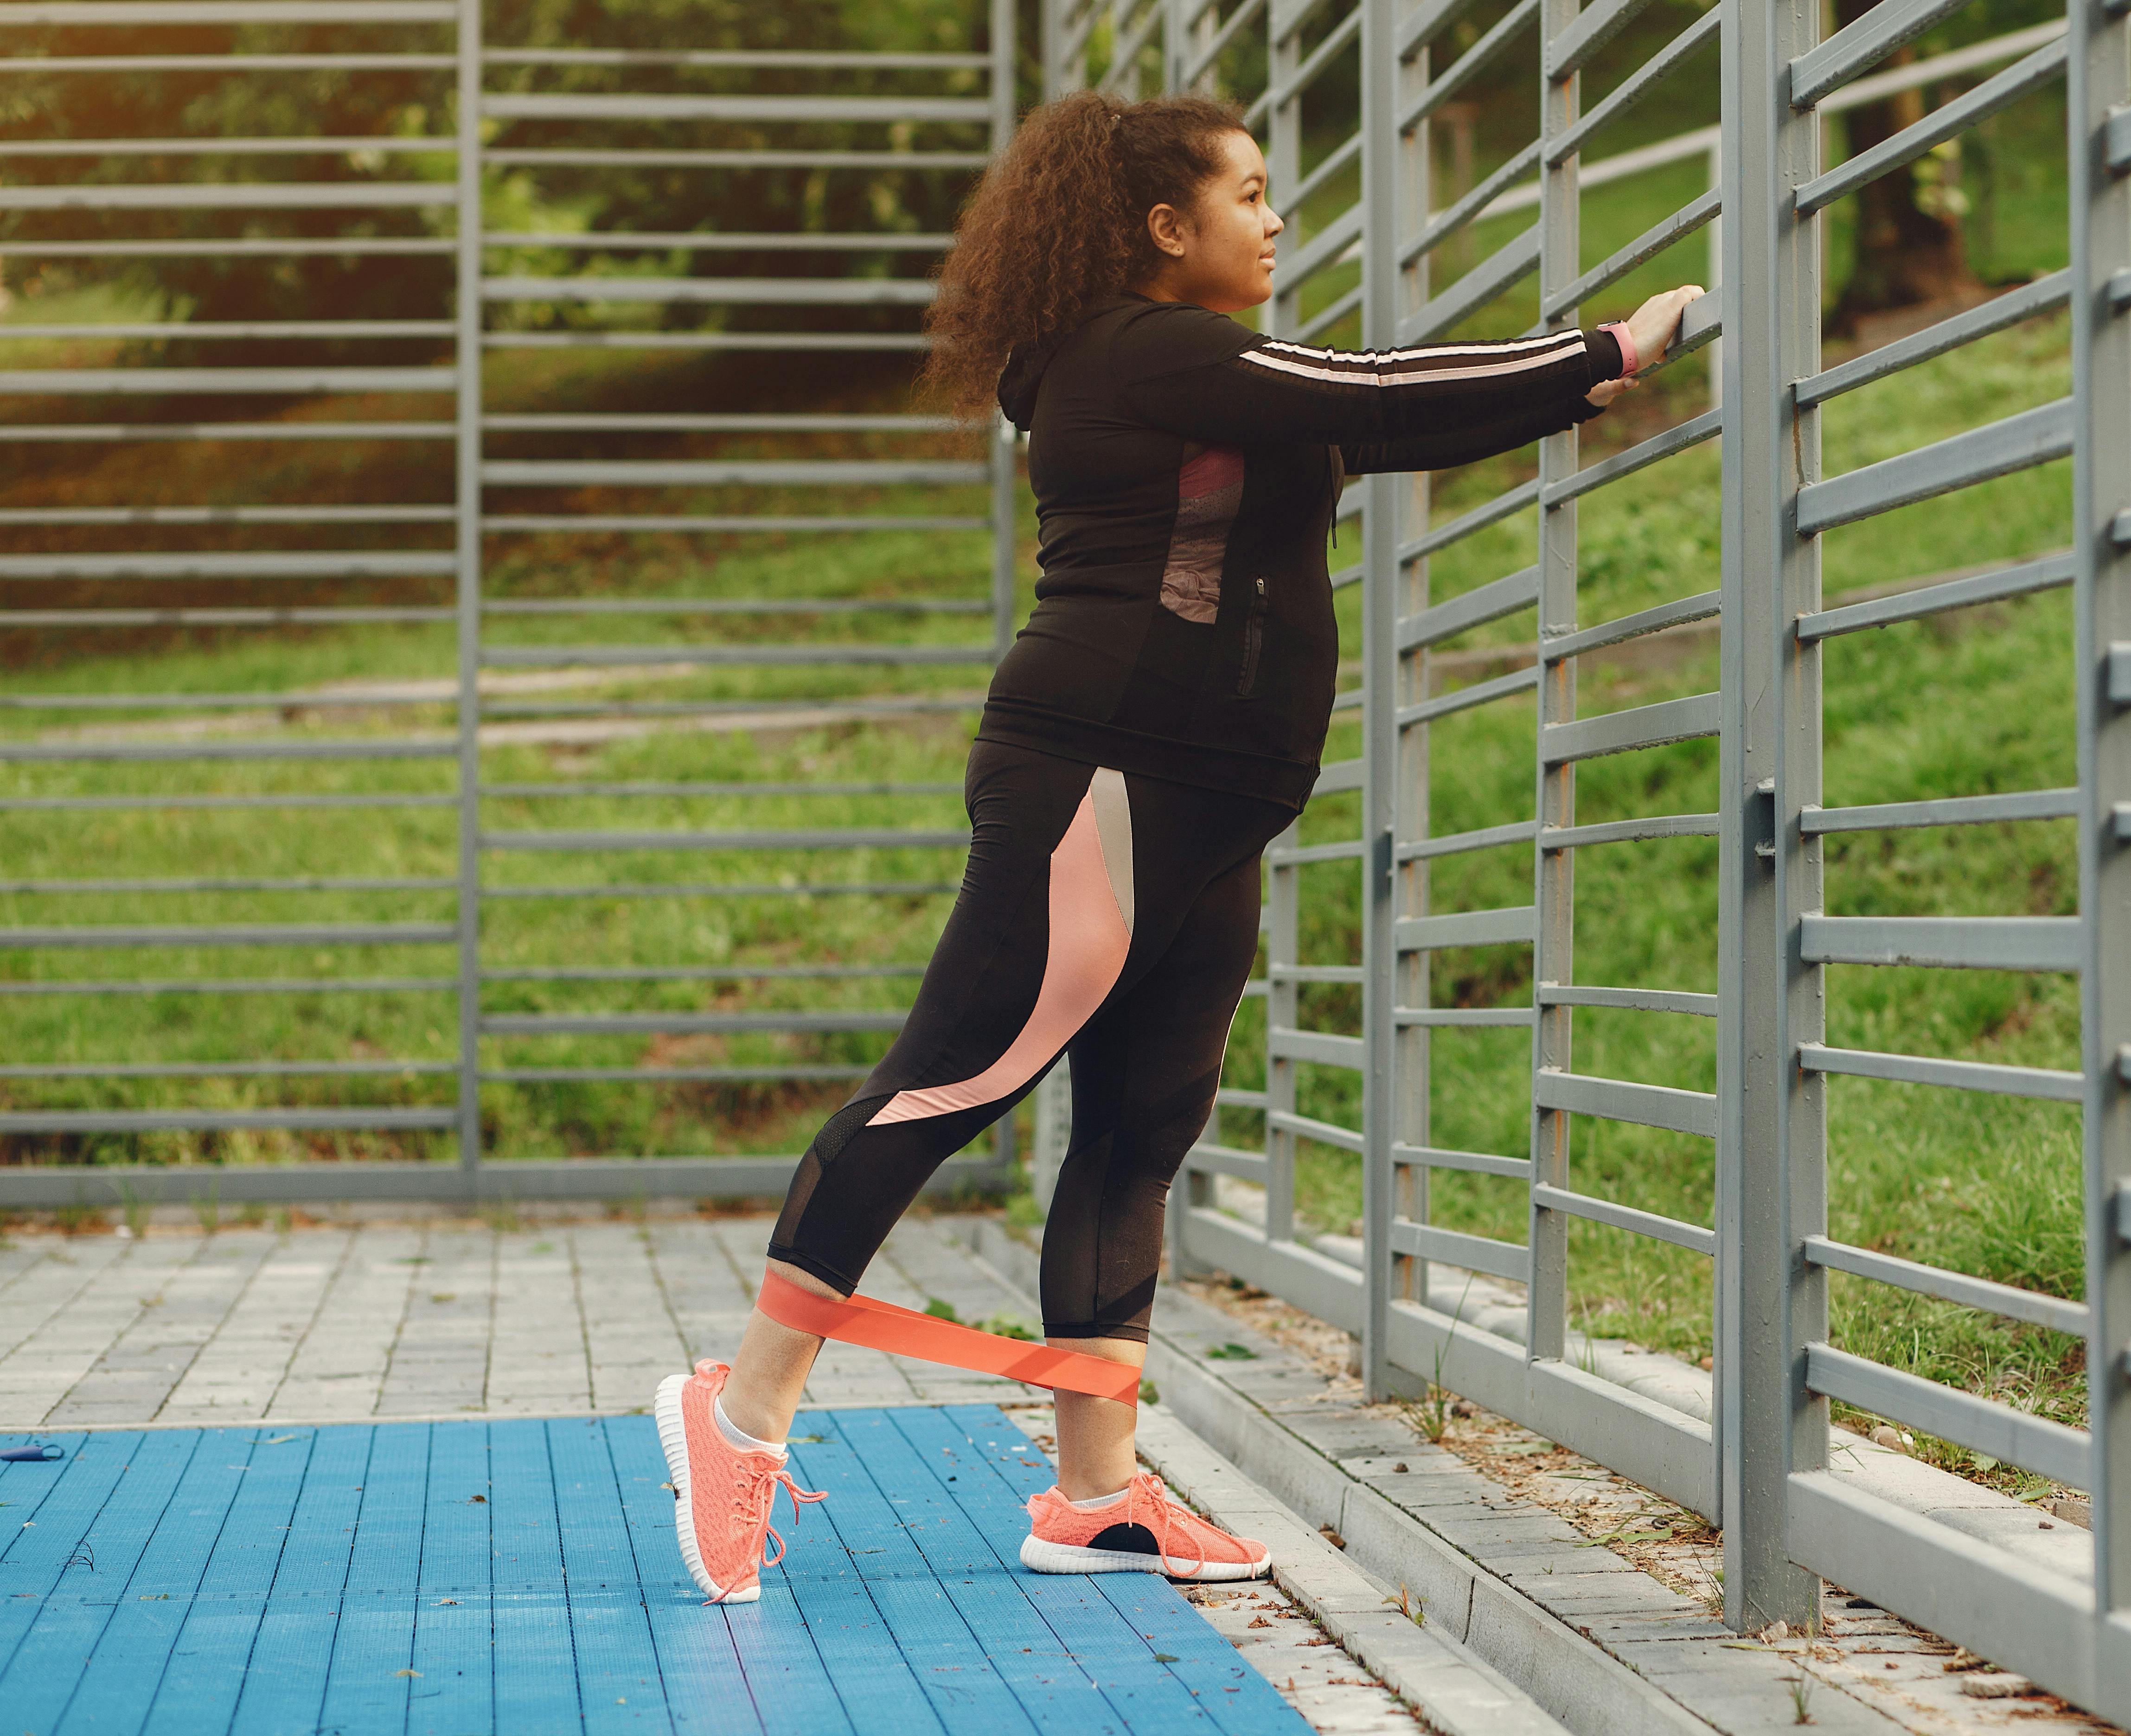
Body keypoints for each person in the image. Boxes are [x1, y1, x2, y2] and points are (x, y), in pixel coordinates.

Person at [655, 86, 1704, 1605]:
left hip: (1215, 794)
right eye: (1251, 195)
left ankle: (1094, 1496)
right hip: (1108, 772)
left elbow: (1379, 420)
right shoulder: (1152, 352)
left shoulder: (1195, 376)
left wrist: (1564, 394)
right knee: (954, 1075)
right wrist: (1601, 348)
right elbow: (1378, 391)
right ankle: (740, 1412)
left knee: (1142, 1125)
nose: (1276, 221)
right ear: (1168, 228)